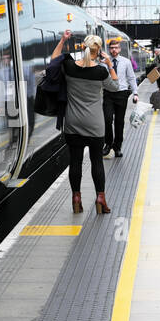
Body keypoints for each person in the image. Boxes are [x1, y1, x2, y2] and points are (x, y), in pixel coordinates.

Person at [51, 30, 117, 214]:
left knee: (76, 161)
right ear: (99, 51)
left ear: (83, 48)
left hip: (72, 123)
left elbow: (54, 59)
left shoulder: (70, 67)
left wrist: (63, 40)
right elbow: (115, 86)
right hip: (95, 124)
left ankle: (76, 198)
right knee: (96, 161)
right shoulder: (101, 71)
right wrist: (110, 65)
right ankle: (100, 199)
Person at [102, 36, 139, 158]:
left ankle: (117, 147)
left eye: (116, 48)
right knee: (107, 119)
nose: (113, 50)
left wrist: (135, 93)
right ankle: (108, 144)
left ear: (120, 49)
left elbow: (131, 78)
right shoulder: (104, 63)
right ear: (109, 49)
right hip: (108, 93)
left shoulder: (126, 62)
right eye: (111, 48)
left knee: (119, 122)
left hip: (122, 94)